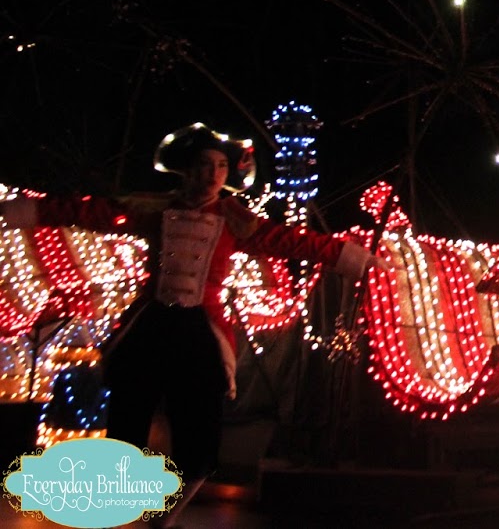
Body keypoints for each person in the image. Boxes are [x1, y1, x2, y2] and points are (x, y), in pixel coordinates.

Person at [0, 122, 393, 525]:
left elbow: (290, 240)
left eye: (221, 166)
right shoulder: (155, 209)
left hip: (199, 334)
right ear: (188, 170)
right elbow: (90, 212)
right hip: (151, 326)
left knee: (199, 438)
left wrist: (352, 257)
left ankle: (165, 519)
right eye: (205, 165)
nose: (213, 175)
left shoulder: (235, 219)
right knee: (126, 426)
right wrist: (21, 211)